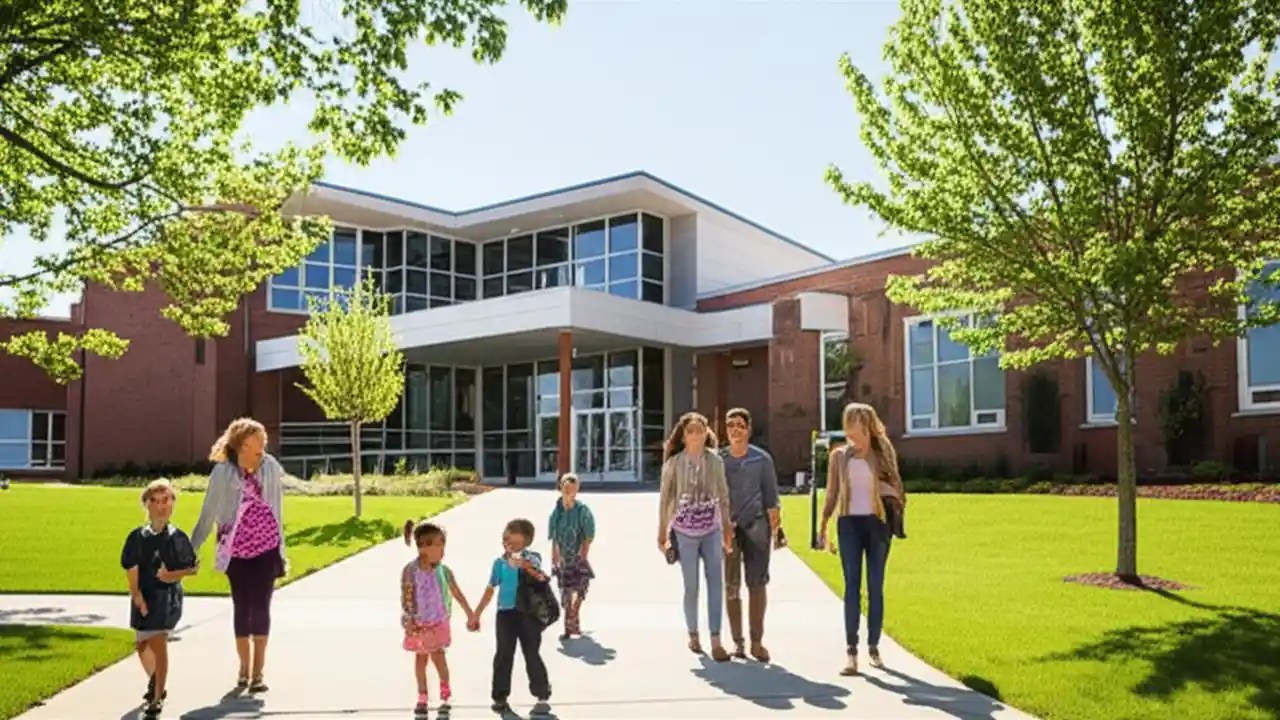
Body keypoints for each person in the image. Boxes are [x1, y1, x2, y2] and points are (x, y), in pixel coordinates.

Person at [190, 417, 288, 693]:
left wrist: (281, 550)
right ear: (240, 444)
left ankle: (258, 672)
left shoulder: (269, 467)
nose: (261, 446)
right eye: (255, 441)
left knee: (262, 608)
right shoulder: (223, 473)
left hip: (267, 548)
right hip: (236, 550)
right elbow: (208, 513)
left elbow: (279, 511)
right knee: (242, 608)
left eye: (263, 441)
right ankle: (243, 669)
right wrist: (190, 549)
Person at [817, 402, 907, 675]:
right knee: (851, 587)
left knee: (875, 586)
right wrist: (823, 526)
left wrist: (885, 490)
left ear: (867, 424)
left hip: (877, 524)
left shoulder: (882, 453)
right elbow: (832, 492)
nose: (851, 428)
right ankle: (852, 652)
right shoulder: (839, 456)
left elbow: (899, 490)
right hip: (849, 525)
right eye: (848, 422)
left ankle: (874, 647)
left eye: (856, 422)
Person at [657, 411, 733, 662]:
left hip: (711, 528)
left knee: (715, 583)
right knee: (691, 587)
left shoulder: (715, 461)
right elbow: (666, 499)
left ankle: (716, 639)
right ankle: (693, 633)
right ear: (683, 435)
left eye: (700, 430)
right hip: (685, 531)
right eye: (690, 431)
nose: (696, 435)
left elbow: (723, 496)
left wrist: (727, 529)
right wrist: (662, 531)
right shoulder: (674, 463)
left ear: (706, 433)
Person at [121, 479, 198, 718]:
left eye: (166, 500)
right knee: (142, 645)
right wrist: (137, 596)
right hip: (144, 594)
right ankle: (157, 681)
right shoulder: (136, 537)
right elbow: (131, 567)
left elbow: (192, 568)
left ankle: (156, 698)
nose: (161, 506)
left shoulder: (177, 538)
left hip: (167, 597)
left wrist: (170, 575)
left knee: (158, 642)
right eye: (155, 501)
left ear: (173, 503)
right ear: (147, 505)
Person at [472, 519, 552, 716]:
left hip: (528, 614)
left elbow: (538, 573)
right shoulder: (498, 563)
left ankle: (542, 693)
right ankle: (500, 697)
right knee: (503, 655)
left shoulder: (532, 558)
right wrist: (477, 613)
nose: (509, 545)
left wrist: (523, 565)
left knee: (531, 653)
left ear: (525, 543)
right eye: (506, 540)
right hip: (505, 614)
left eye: (514, 543)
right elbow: (490, 589)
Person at [720, 407, 780, 662]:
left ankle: (757, 641)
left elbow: (771, 498)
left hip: (757, 527)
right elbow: (714, 496)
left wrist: (775, 528)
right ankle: (738, 642)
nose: (735, 429)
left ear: (748, 429)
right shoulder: (718, 460)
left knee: (757, 584)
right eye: (730, 425)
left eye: (740, 425)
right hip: (729, 530)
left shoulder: (762, 460)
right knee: (732, 585)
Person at [401, 520, 477, 716]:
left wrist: (470, 614)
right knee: (420, 659)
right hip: (418, 622)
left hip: (438, 622)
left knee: (439, 656)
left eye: (444, 545)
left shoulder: (444, 571)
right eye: (439, 545)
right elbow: (406, 595)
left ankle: (444, 691)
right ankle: (422, 696)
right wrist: (409, 618)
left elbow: (457, 593)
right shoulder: (411, 570)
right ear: (423, 546)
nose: (443, 550)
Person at [548, 473, 596, 640]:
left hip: (578, 555)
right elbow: (554, 536)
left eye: (572, 490)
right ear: (561, 489)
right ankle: (569, 627)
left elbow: (588, 535)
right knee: (565, 592)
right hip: (563, 558)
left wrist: (583, 555)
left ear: (577, 491)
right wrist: (554, 556)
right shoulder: (557, 512)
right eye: (566, 489)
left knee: (581, 587)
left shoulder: (583, 511)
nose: (569, 493)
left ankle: (574, 614)